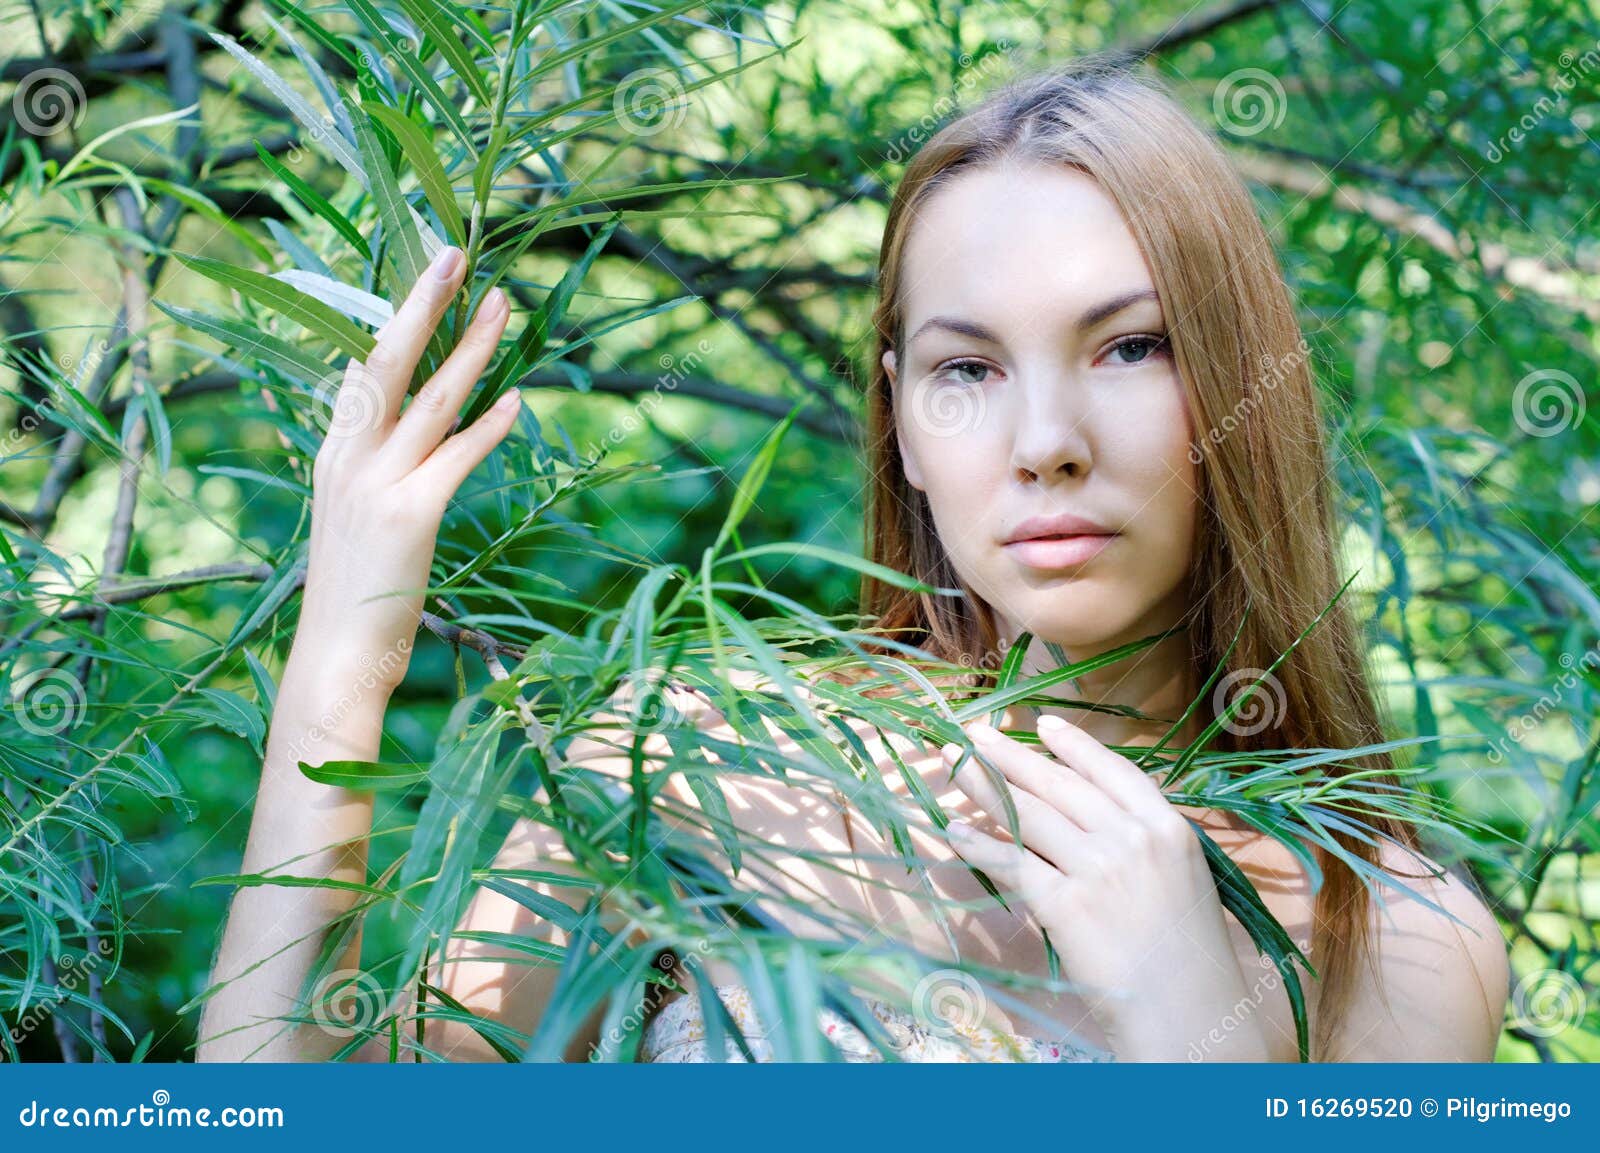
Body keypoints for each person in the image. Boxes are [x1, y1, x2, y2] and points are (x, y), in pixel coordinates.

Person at [196, 57, 1509, 1064]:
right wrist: (343, 651)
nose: (1045, 441)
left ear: (1244, 385)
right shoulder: (690, 766)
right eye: (968, 368)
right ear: (904, 423)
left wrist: (1196, 1039)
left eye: (1130, 347)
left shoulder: (1393, 943)